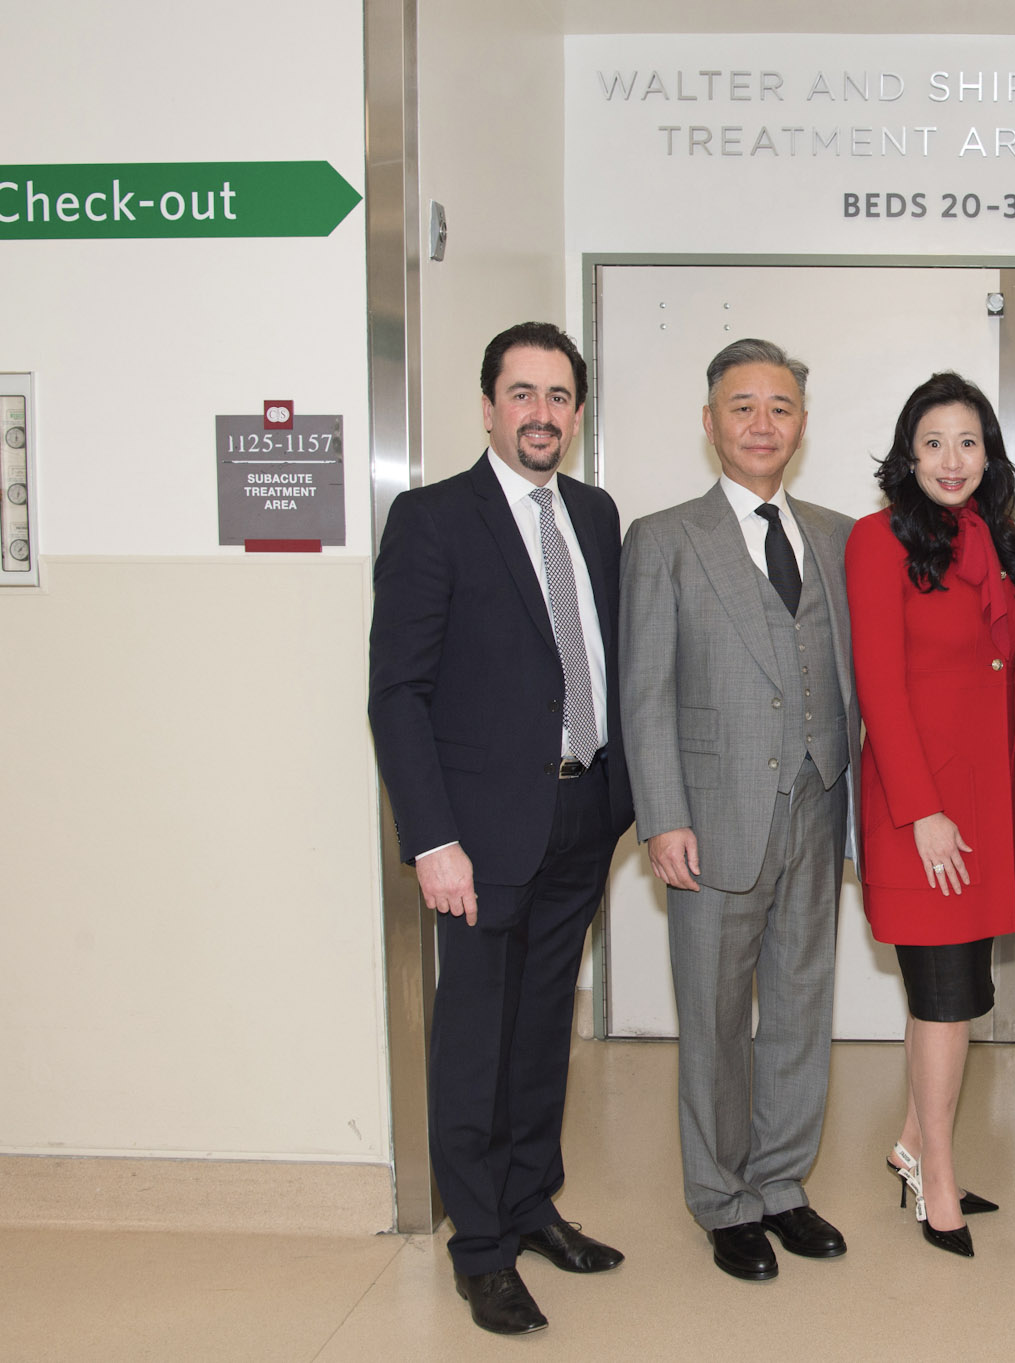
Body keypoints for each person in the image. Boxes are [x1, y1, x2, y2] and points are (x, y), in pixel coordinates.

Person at [368, 322, 634, 1336]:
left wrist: (622, 801)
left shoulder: (595, 515)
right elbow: (396, 693)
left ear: (576, 410)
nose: (540, 413)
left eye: (558, 395)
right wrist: (431, 837)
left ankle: (530, 1206)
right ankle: (477, 1246)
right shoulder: (435, 519)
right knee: (474, 1039)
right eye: (521, 393)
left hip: (581, 812)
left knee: (539, 1035)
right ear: (487, 406)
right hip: (475, 836)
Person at [618, 338, 861, 1283]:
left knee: (802, 1001)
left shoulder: (841, 537)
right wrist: (662, 814)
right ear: (711, 420)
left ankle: (783, 1184)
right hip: (711, 815)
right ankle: (722, 1200)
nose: (763, 423)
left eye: (782, 407)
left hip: (817, 800)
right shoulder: (664, 538)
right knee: (716, 1014)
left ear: (803, 424)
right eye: (743, 406)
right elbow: (643, 690)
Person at [845, 372, 1015, 1259]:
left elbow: (999, 685)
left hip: (986, 807)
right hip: (921, 812)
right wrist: (921, 811)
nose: (952, 460)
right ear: (906, 453)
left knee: (954, 992)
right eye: (933, 443)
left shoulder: (987, 539)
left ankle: (915, 1147)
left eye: (968, 443)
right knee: (946, 996)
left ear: (988, 454)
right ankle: (940, 1182)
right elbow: (879, 684)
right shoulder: (877, 540)